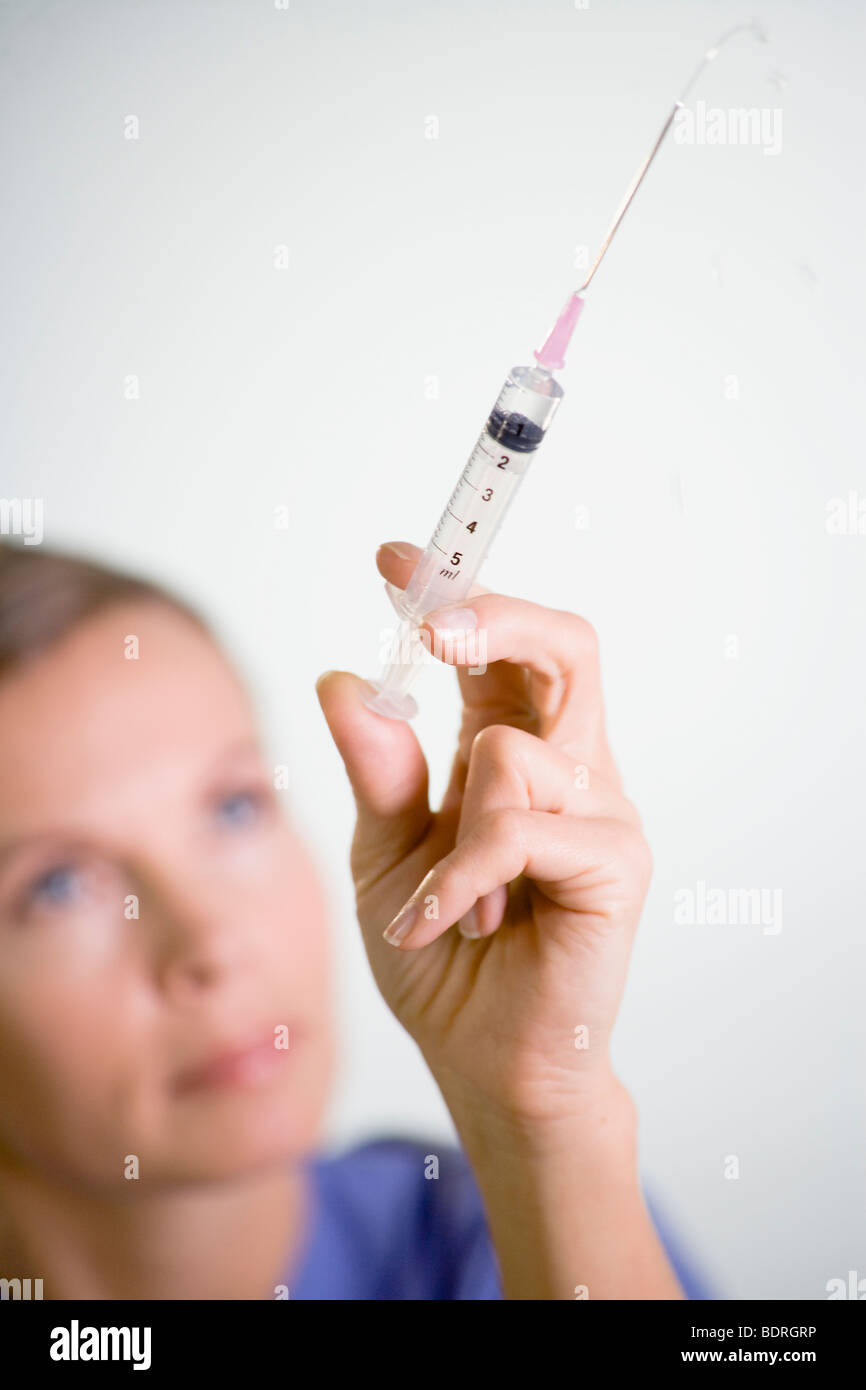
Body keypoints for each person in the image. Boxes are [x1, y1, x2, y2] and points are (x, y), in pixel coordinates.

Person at [0, 539, 712, 1300]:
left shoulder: (512, 1237)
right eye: (58, 886)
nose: (214, 944)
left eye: (233, 807)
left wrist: (541, 1120)